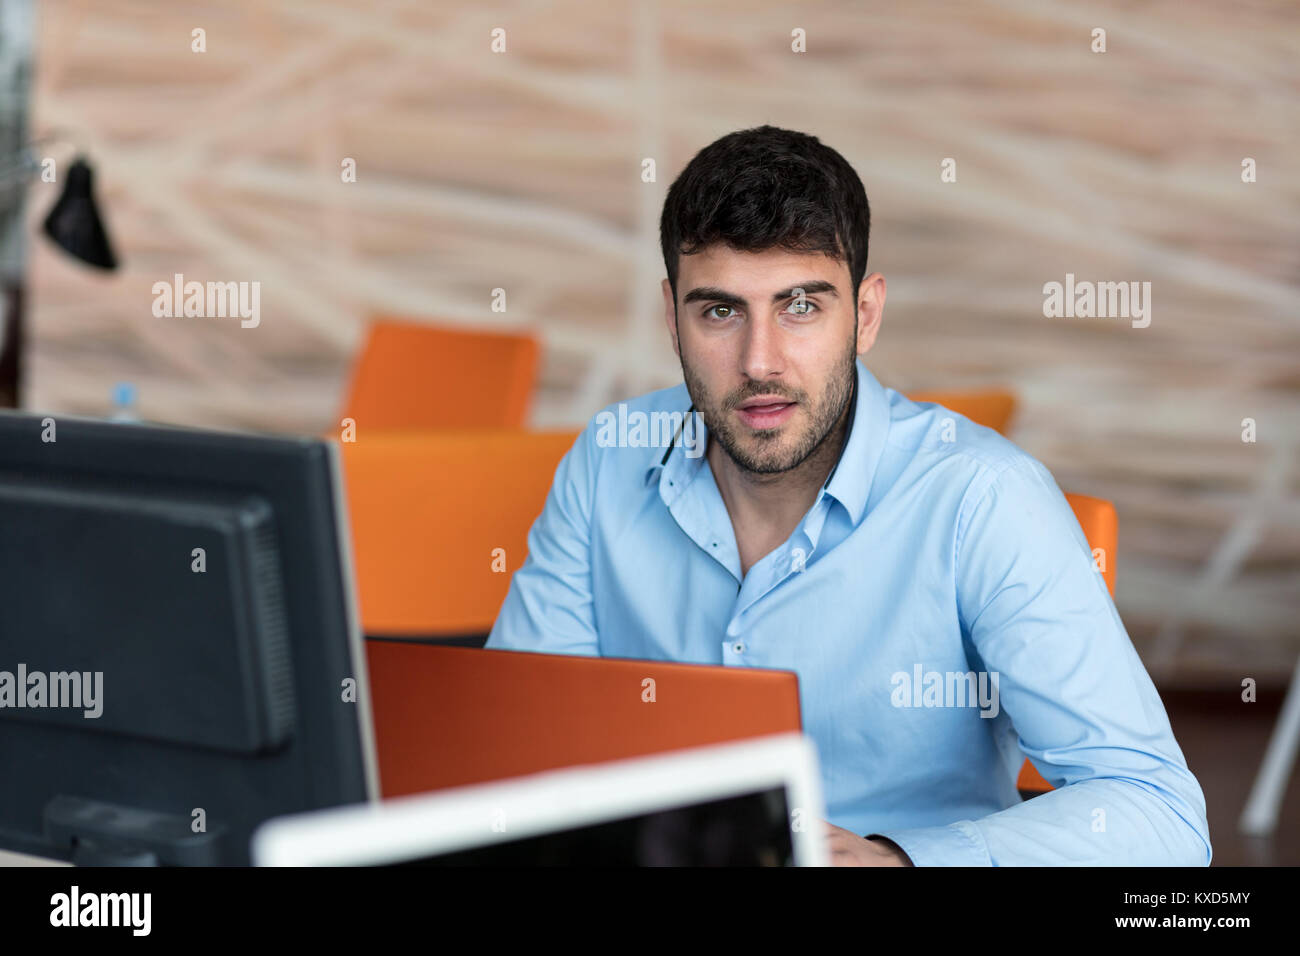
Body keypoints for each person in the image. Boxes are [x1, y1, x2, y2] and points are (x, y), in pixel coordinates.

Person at [487, 124, 1211, 867]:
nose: (759, 362)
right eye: (720, 311)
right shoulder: (604, 464)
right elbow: (513, 752)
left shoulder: (984, 499)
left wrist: (898, 862)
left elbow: (1158, 814)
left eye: (801, 306)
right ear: (672, 317)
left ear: (865, 315)